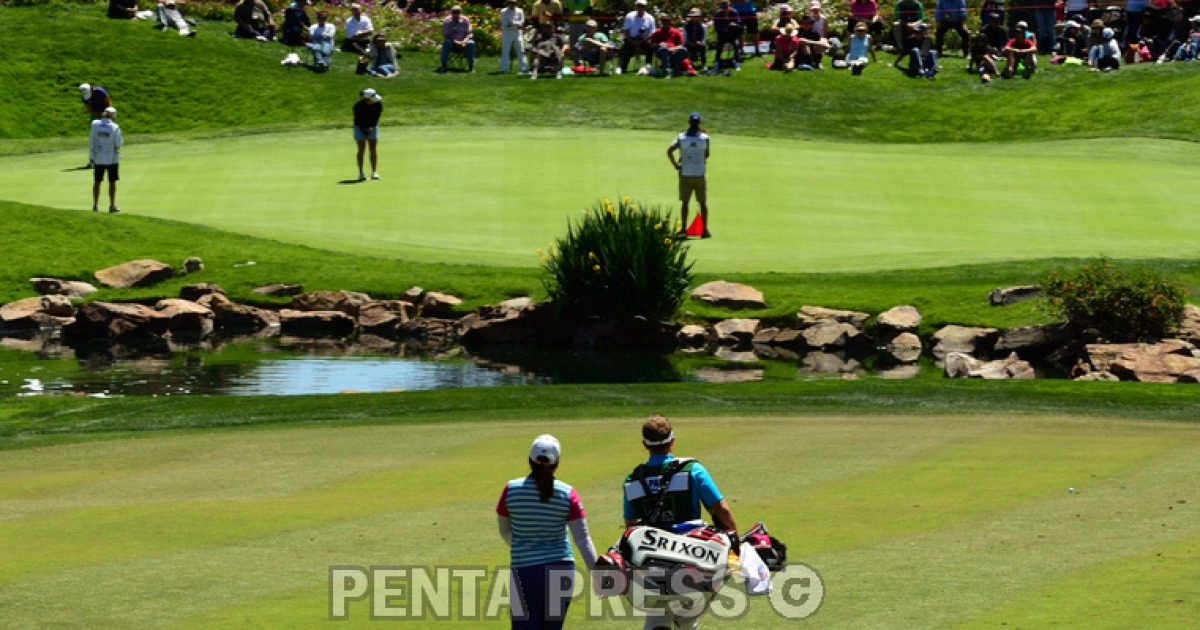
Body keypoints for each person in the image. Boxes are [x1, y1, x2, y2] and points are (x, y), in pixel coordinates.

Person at [622, 414, 737, 630]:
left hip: (652, 560)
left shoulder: (633, 479)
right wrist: (735, 544)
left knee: (658, 615)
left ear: (645, 444)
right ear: (672, 441)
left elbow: (631, 525)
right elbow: (720, 509)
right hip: (694, 557)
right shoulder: (692, 469)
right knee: (687, 616)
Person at [496, 435, 598, 630]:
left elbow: (504, 531)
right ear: (557, 463)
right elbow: (583, 540)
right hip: (561, 571)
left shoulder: (511, 490)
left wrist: (521, 547)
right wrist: (600, 575)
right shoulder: (568, 493)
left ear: (529, 461)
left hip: (525, 572)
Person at [667, 114, 711, 239]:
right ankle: (705, 231)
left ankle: (683, 230)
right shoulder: (705, 138)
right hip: (700, 174)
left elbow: (669, 151)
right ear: (700, 123)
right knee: (702, 203)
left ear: (689, 122)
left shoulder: (681, 137)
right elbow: (706, 155)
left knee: (685, 203)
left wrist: (676, 165)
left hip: (685, 173)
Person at [89, 107, 123, 214]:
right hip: (111, 158)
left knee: (97, 182)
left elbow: (92, 140)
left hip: (98, 157)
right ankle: (112, 205)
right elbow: (119, 143)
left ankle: (95, 205)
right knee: (112, 182)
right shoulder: (114, 127)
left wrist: (92, 156)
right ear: (113, 116)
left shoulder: (95, 124)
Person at [619, 0, 657, 74]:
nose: (641, 7)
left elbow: (652, 32)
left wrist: (642, 40)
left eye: (642, 6)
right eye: (639, 5)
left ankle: (648, 68)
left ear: (645, 7)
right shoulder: (630, 16)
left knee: (650, 48)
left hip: (644, 39)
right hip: (631, 38)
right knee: (626, 50)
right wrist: (631, 40)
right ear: (636, 6)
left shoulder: (650, 18)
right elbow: (626, 30)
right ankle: (622, 68)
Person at [353, 88, 383, 181]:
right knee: (361, 149)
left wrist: (370, 129)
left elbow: (375, 119)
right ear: (367, 99)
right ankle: (361, 173)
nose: (374, 101)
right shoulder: (357, 106)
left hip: (372, 127)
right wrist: (365, 131)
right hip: (359, 127)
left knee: (373, 148)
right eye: (372, 99)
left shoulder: (378, 104)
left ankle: (374, 172)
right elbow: (359, 120)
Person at [79, 83, 111, 167]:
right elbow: (89, 110)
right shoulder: (84, 97)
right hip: (95, 116)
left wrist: (107, 115)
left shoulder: (101, 92)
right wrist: (98, 113)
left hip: (106, 114)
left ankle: (108, 159)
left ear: (91, 89)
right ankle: (92, 161)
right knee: (94, 138)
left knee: (106, 137)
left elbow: (108, 103)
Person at [439, 5, 476, 73]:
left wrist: (464, 41)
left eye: (457, 14)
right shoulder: (447, 21)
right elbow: (446, 35)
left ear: (460, 13)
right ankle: (443, 65)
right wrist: (455, 41)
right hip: (452, 42)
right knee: (446, 43)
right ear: (452, 14)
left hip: (464, 42)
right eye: (454, 15)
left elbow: (469, 33)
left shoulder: (465, 20)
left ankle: (471, 66)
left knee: (471, 43)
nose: (456, 17)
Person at [499, 0, 528, 74]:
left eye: (513, 3)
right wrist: (515, 23)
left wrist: (513, 23)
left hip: (517, 34)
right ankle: (503, 69)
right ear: (508, 3)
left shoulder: (520, 11)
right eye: (510, 2)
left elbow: (521, 23)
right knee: (505, 52)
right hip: (507, 34)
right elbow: (505, 23)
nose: (512, 4)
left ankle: (523, 68)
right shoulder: (503, 11)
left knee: (521, 51)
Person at [713, 1, 744, 66]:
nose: (724, 10)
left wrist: (735, 24)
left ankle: (737, 61)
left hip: (732, 33)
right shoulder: (718, 14)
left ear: (729, 7)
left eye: (726, 8)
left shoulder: (734, 12)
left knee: (736, 44)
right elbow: (716, 27)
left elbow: (740, 24)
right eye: (723, 8)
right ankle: (717, 61)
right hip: (722, 34)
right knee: (719, 45)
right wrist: (723, 28)